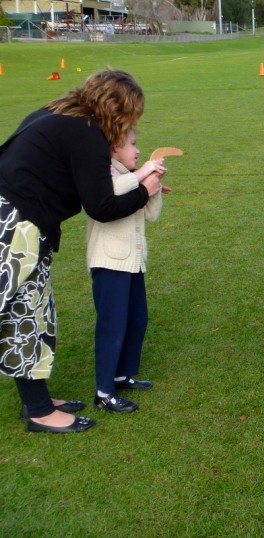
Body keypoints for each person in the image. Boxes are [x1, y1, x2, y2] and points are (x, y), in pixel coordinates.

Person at [0, 69, 162, 433]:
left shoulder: (60, 112)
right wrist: (144, 190)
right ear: (118, 109)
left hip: (17, 218)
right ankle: (40, 413)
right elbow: (101, 206)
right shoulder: (86, 131)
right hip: (13, 223)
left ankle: (37, 403)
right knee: (25, 313)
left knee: (29, 312)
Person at [86, 128, 166, 414]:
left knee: (137, 319)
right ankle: (104, 392)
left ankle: (122, 374)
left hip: (133, 263)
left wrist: (152, 190)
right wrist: (143, 174)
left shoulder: (132, 179)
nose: (138, 150)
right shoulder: (105, 175)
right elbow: (111, 192)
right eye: (132, 144)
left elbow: (151, 215)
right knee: (113, 325)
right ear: (113, 147)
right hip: (109, 264)